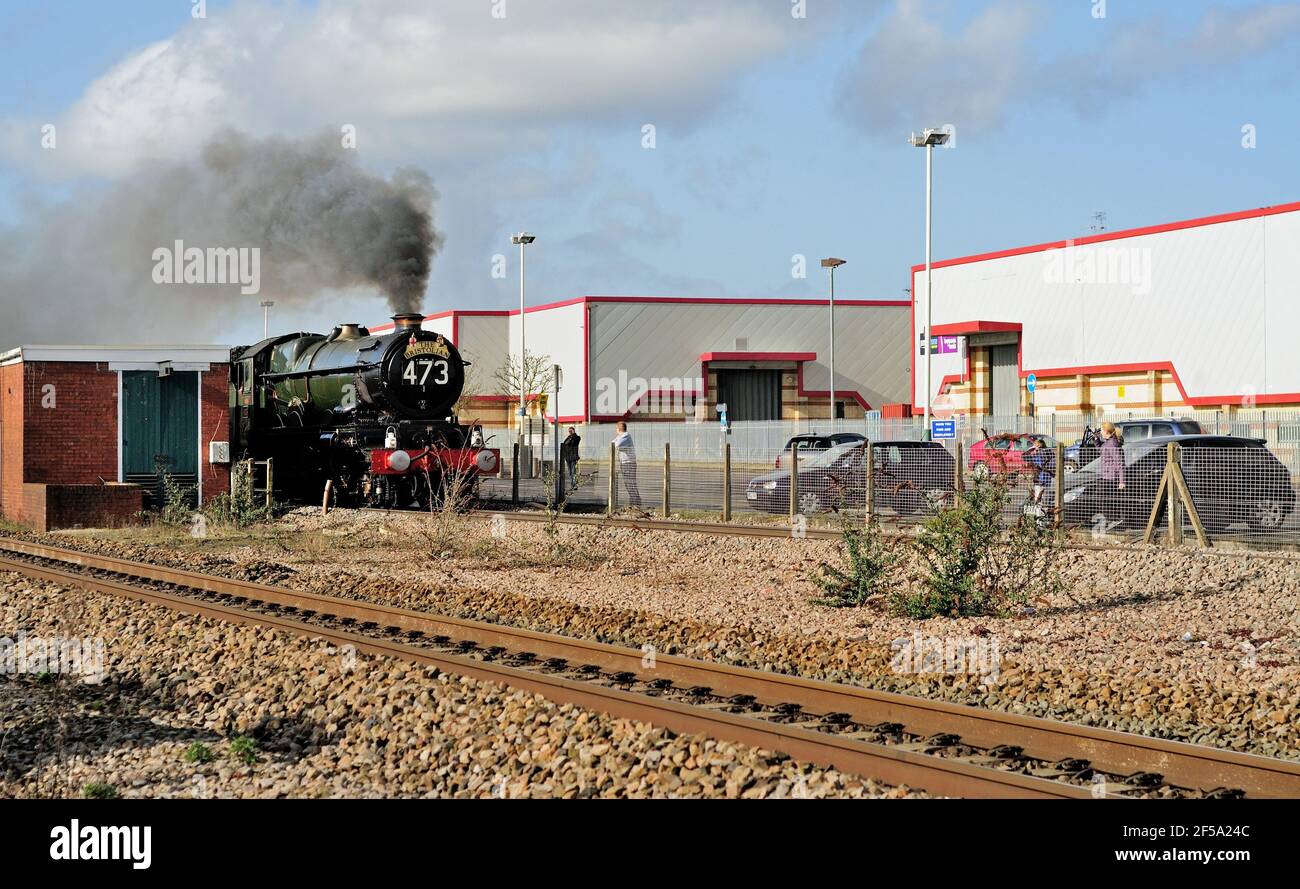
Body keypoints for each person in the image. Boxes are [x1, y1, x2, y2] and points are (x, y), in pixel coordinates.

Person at [612, 421, 642, 509]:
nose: (616, 430)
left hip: (629, 463)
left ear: (619, 429)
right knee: (628, 483)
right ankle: (633, 502)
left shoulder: (626, 437)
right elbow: (612, 442)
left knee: (630, 483)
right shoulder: (621, 436)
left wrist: (616, 441)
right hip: (624, 463)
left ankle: (636, 503)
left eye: (616, 428)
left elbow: (616, 445)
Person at [1099, 421, 1126, 494]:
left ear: (1106, 431)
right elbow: (1104, 452)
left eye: (1101, 430)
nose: (1100, 432)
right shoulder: (1109, 442)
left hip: (1111, 478)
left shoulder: (1112, 444)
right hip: (1107, 476)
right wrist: (1096, 440)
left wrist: (1122, 481)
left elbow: (1120, 463)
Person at [1026, 437, 1054, 506]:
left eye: (1037, 445)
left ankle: (1041, 511)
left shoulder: (1044, 453)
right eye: (1035, 445)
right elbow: (1025, 457)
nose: (1036, 447)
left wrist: (1036, 451)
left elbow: (1043, 462)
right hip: (1040, 478)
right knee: (1040, 496)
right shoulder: (1036, 453)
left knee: (1043, 497)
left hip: (1043, 478)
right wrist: (1032, 451)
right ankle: (1040, 511)